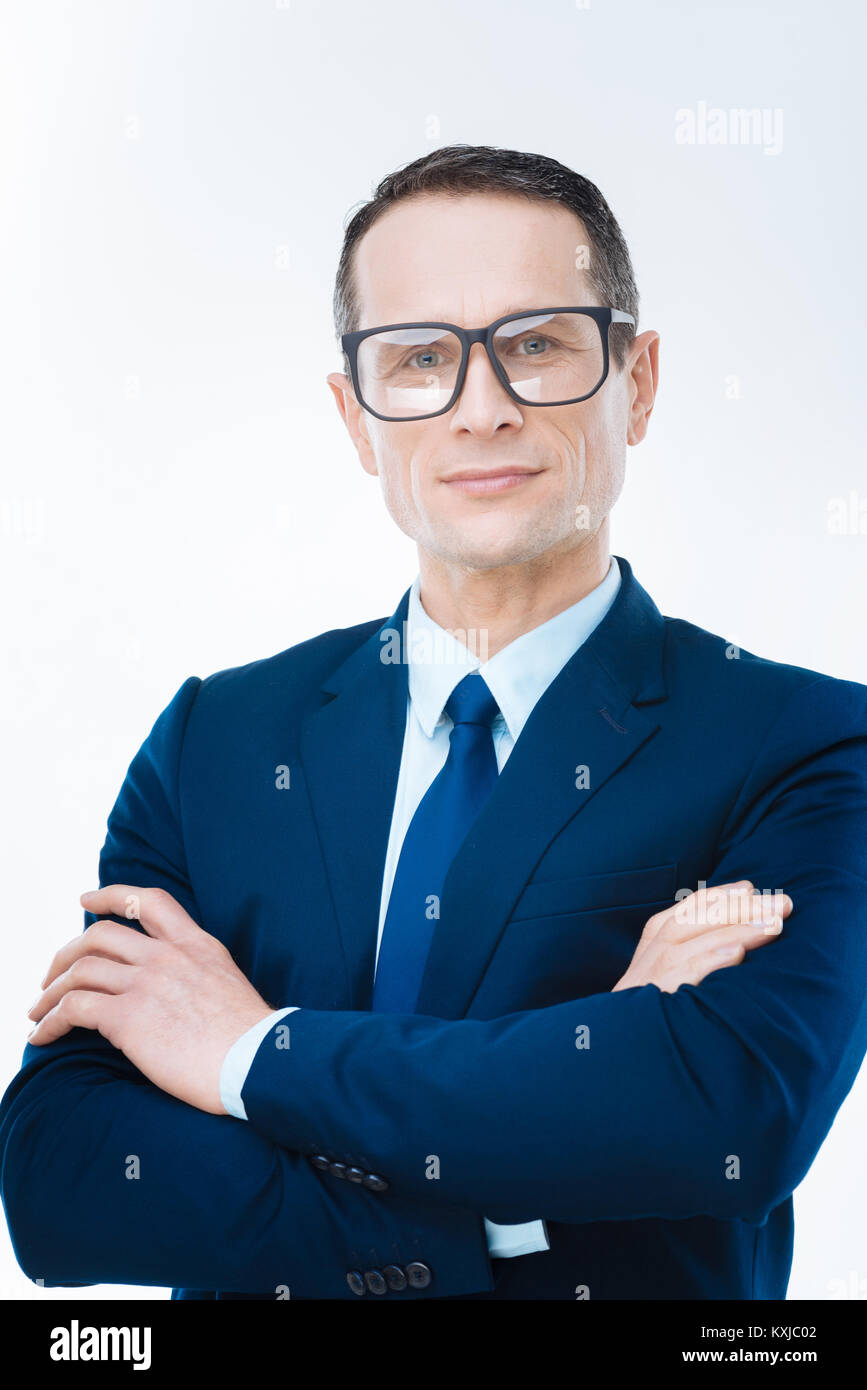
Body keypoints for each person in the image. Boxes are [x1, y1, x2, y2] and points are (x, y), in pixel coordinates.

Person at [2, 145, 866, 1301]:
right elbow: (64, 1182)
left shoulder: (806, 745)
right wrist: (550, 1128)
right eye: (418, 360)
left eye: (538, 344)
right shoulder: (215, 740)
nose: (483, 409)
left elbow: (719, 1118)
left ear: (639, 382)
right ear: (356, 417)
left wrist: (244, 1051)